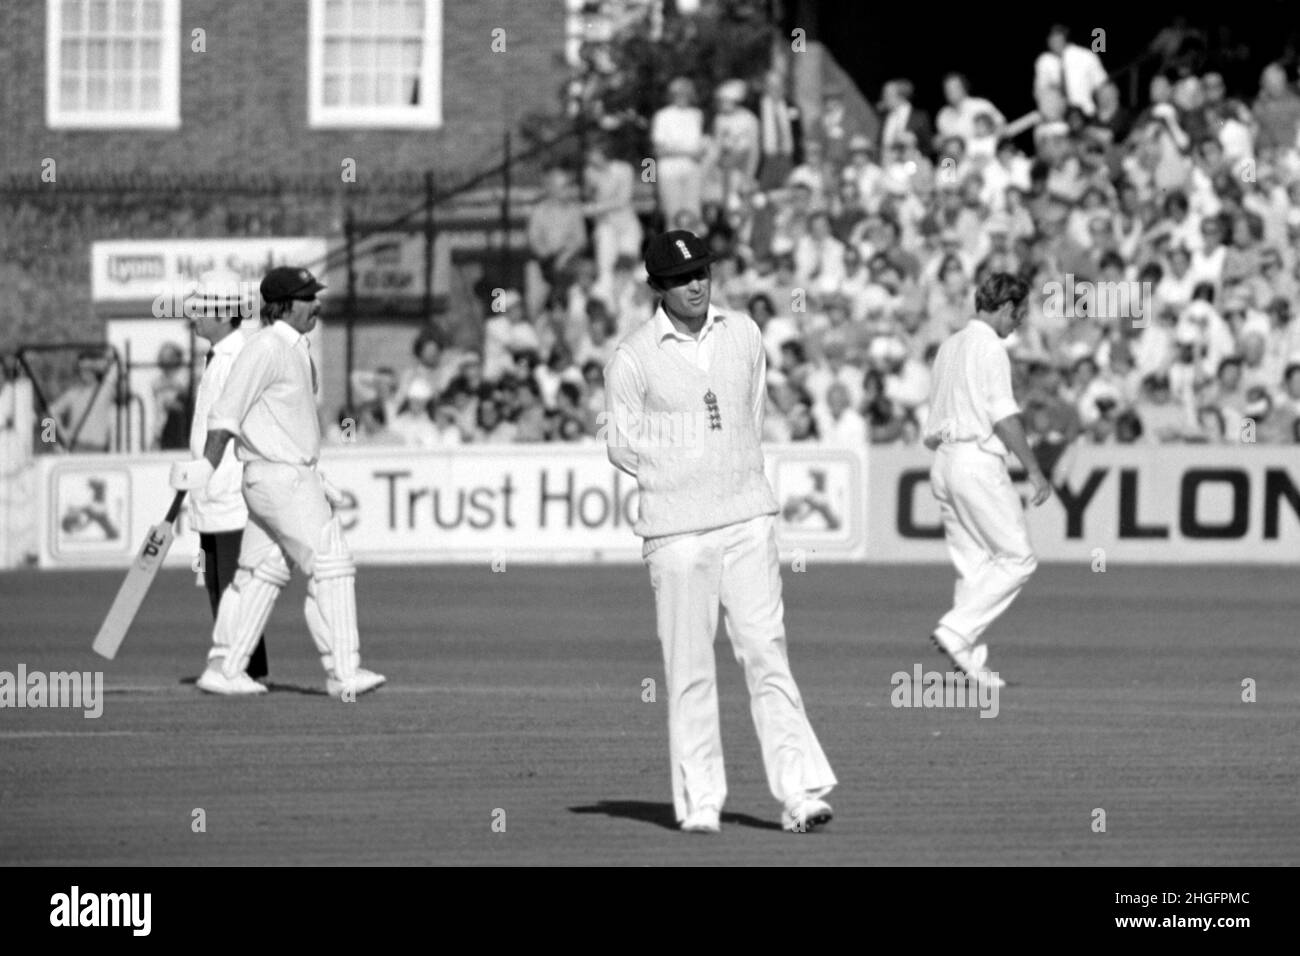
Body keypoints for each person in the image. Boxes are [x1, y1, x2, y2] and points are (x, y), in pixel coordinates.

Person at [603, 229, 836, 835]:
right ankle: (701, 800)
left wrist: (727, 467)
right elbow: (622, 447)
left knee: (765, 651)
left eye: (702, 271)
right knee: (689, 670)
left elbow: (749, 413)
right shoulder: (632, 356)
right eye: (682, 278)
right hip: (677, 533)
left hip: (747, 518)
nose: (697, 284)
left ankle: (802, 792)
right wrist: (686, 465)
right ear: (657, 287)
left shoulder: (744, 333)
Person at [168, 266, 385, 698]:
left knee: (259, 573)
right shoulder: (264, 348)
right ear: (283, 305)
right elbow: (227, 413)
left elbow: (285, 422)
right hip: (279, 480)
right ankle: (344, 672)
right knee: (331, 564)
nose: (317, 305)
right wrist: (208, 467)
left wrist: (314, 474)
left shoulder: (293, 349)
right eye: (308, 298)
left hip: (285, 476)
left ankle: (227, 668)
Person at [922, 273, 1052, 688]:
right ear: (1003, 308)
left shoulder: (949, 345)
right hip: (976, 460)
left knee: (974, 564)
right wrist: (1033, 470)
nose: (1020, 322)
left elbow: (933, 420)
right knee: (1018, 559)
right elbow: (1003, 416)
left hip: (943, 460)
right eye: (1018, 313)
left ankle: (969, 663)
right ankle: (956, 631)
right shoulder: (990, 347)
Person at [185, 269, 269, 681]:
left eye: (200, 308)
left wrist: (206, 471)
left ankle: (236, 666)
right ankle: (243, 666)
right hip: (211, 494)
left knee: (235, 587)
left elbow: (229, 426)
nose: (193, 316)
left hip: (231, 493)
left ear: (221, 313)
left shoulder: (238, 358)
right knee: (220, 586)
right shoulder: (219, 356)